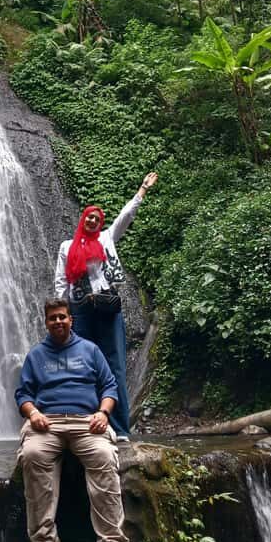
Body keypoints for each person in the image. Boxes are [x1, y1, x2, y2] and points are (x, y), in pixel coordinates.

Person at [15, 297, 130, 542]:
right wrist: (33, 413)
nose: (58, 321)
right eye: (52, 318)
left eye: (62, 317)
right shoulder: (36, 355)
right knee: (32, 455)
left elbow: (109, 386)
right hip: (48, 423)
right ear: (46, 322)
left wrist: (103, 413)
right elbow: (23, 394)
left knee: (104, 456)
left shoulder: (90, 350)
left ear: (71, 319)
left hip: (87, 422)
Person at [54, 172, 158, 439]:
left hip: (107, 307)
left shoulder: (106, 239)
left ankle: (120, 428)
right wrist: (63, 313)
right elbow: (61, 281)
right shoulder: (67, 247)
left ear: (100, 223)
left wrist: (142, 190)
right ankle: (87, 426)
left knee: (115, 366)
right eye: (89, 216)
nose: (92, 220)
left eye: (96, 218)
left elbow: (126, 216)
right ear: (82, 219)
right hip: (80, 309)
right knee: (82, 366)